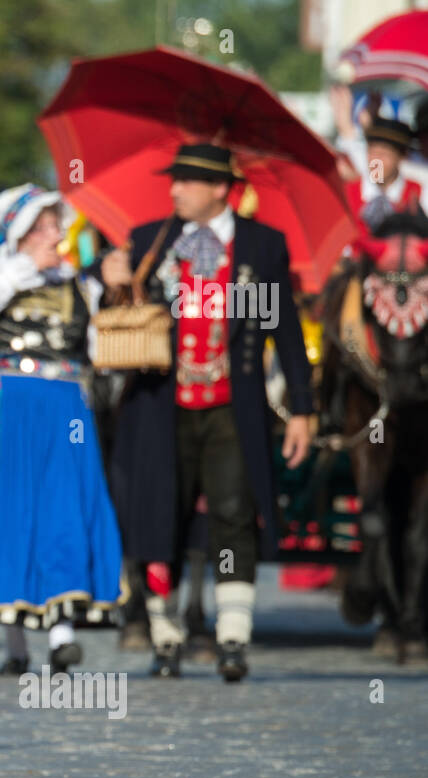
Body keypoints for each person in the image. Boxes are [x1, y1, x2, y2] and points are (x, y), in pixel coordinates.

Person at [102, 143, 314, 681]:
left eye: (186, 181)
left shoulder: (262, 246)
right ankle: (165, 633)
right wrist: (112, 281)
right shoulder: (150, 241)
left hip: (231, 403)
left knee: (234, 512)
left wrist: (304, 411)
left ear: (221, 188)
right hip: (160, 402)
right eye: (174, 180)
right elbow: (112, 317)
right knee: (159, 514)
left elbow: (285, 332)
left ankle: (233, 638)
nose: (173, 189)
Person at [0, 184, 123, 674]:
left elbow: (100, 350)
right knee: (9, 513)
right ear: (19, 231)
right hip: (4, 404)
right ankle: (16, 644)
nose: (53, 234)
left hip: (64, 407)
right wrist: (21, 268)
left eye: (55, 224)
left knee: (63, 510)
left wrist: (124, 292)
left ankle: (61, 635)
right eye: (43, 225)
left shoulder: (80, 282)